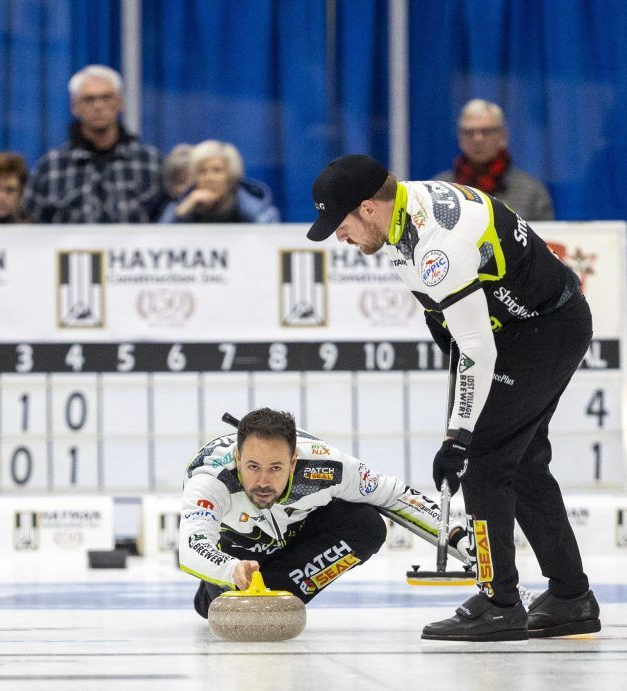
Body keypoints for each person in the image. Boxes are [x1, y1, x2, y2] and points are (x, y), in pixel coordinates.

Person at [306, 154, 600, 642]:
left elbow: (476, 347)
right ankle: (571, 595)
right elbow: (447, 323)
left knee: (483, 461)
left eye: (341, 225)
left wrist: (458, 438)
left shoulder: (436, 244)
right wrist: (459, 422)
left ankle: (500, 601)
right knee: (521, 461)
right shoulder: (403, 216)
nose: (340, 236)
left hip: (544, 329)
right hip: (522, 328)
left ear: (367, 209)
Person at [180, 407, 462, 616]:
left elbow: (394, 495)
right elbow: (193, 545)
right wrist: (231, 570)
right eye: (253, 467)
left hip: (298, 540)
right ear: (238, 459)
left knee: (368, 525)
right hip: (238, 555)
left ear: (293, 462)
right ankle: (214, 593)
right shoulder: (211, 480)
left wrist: (457, 535)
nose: (263, 481)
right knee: (225, 607)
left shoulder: (323, 466)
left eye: (275, 468)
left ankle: (280, 591)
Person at [23, 65, 161, 223]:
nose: (98, 106)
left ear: (120, 103)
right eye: (89, 99)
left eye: (106, 98)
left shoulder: (150, 163)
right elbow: (29, 230)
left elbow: (171, 226)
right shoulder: (50, 168)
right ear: (75, 107)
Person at [434, 99, 554, 221]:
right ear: (460, 139)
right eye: (469, 132)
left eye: (486, 132)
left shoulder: (531, 192)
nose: (478, 139)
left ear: (503, 136)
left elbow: (544, 237)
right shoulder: (440, 188)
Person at [158, 140, 280, 223]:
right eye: (202, 171)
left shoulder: (260, 212)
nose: (209, 178)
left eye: (217, 170)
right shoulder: (180, 207)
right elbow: (157, 244)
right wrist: (181, 212)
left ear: (231, 176)